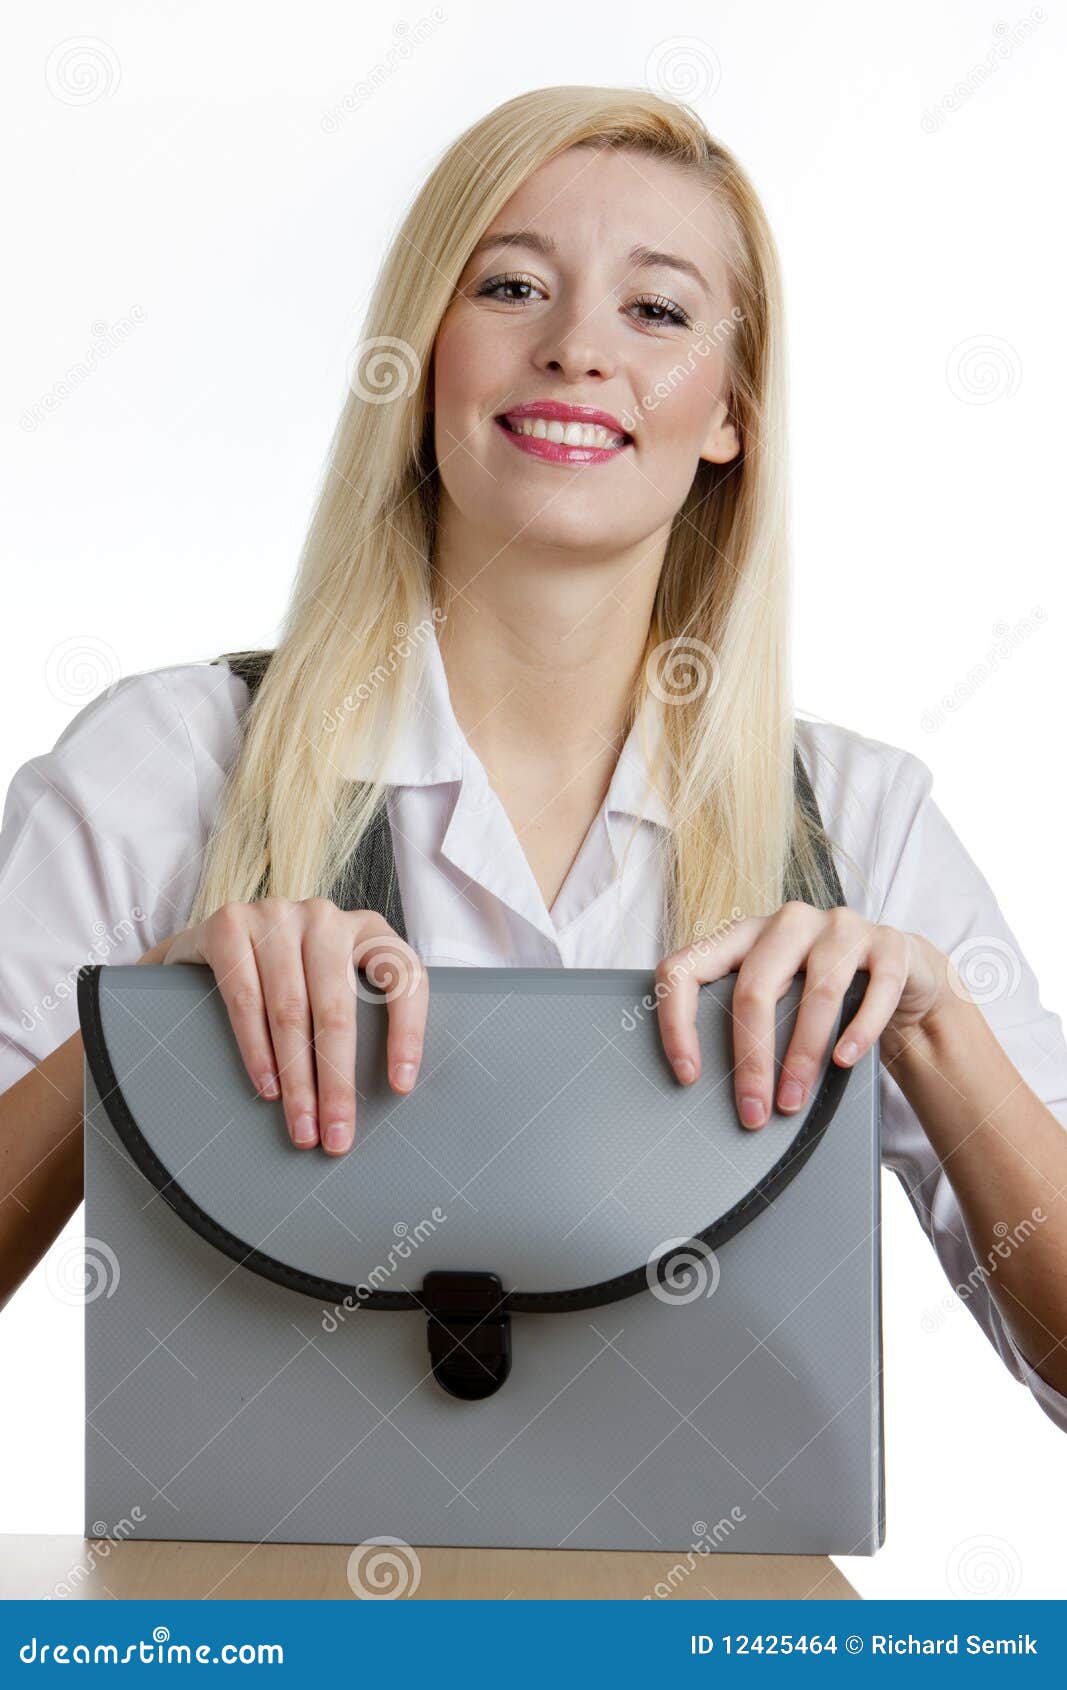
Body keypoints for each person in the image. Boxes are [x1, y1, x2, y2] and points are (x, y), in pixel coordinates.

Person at [1, 86, 1065, 1439]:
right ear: (422, 356)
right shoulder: (170, 761)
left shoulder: (865, 825)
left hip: (719, 1654)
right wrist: (143, 1028)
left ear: (731, 412)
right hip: (260, 1647)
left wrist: (929, 1035)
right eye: (511, 286)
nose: (576, 349)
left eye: (659, 311)